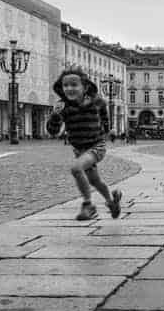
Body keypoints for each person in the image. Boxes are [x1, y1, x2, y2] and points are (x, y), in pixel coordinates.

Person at [46, 67, 122, 220]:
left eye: (74, 85)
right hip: (79, 149)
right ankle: (112, 202)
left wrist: (109, 130)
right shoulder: (63, 106)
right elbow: (53, 131)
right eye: (65, 85)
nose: (69, 88)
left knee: (76, 168)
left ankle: (88, 205)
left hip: (96, 146)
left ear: (85, 87)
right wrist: (55, 115)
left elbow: (104, 116)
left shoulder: (97, 101)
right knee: (94, 180)